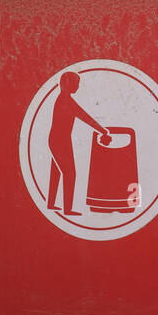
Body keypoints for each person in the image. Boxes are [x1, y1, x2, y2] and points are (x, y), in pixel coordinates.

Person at [47, 71, 108, 217]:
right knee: (70, 173)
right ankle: (67, 210)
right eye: (76, 83)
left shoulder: (63, 98)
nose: (78, 86)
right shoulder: (66, 100)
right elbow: (83, 116)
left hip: (57, 139)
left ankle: (50, 204)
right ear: (68, 84)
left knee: (56, 171)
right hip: (60, 141)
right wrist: (103, 131)